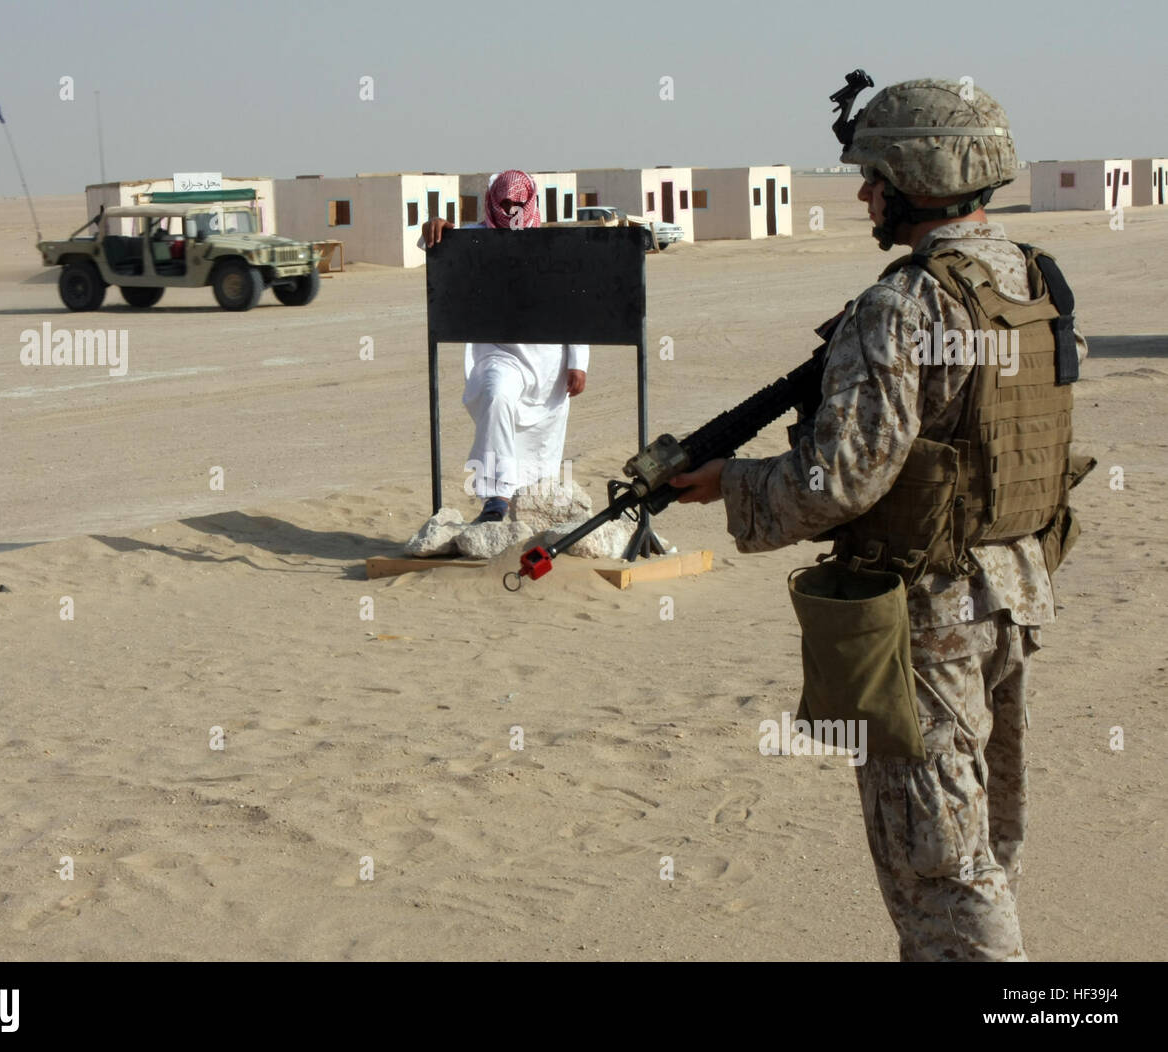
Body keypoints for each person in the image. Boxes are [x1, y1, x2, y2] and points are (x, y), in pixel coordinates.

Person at [670, 78, 1087, 961]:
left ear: (916, 175)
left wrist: (733, 486)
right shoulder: (1029, 278)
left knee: (939, 865)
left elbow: (840, 480)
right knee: (982, 846)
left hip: (931, 618)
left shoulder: (904, 306)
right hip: (1016, 592)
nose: (864, 194)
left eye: (874, 176)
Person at [422, 170, 588, 522]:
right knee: (497, 396)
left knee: (539, 445)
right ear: (493, 202)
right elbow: (432, 244)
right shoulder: (475, 239)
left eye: (518, 204)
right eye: (505, 203)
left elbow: (572, 303)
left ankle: (531, 509)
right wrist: (434, 226)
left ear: (531, 203)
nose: (512, 210)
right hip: (499, 355)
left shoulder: (550, 249)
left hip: (547, 362)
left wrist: (579, 360)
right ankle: (495, 497)